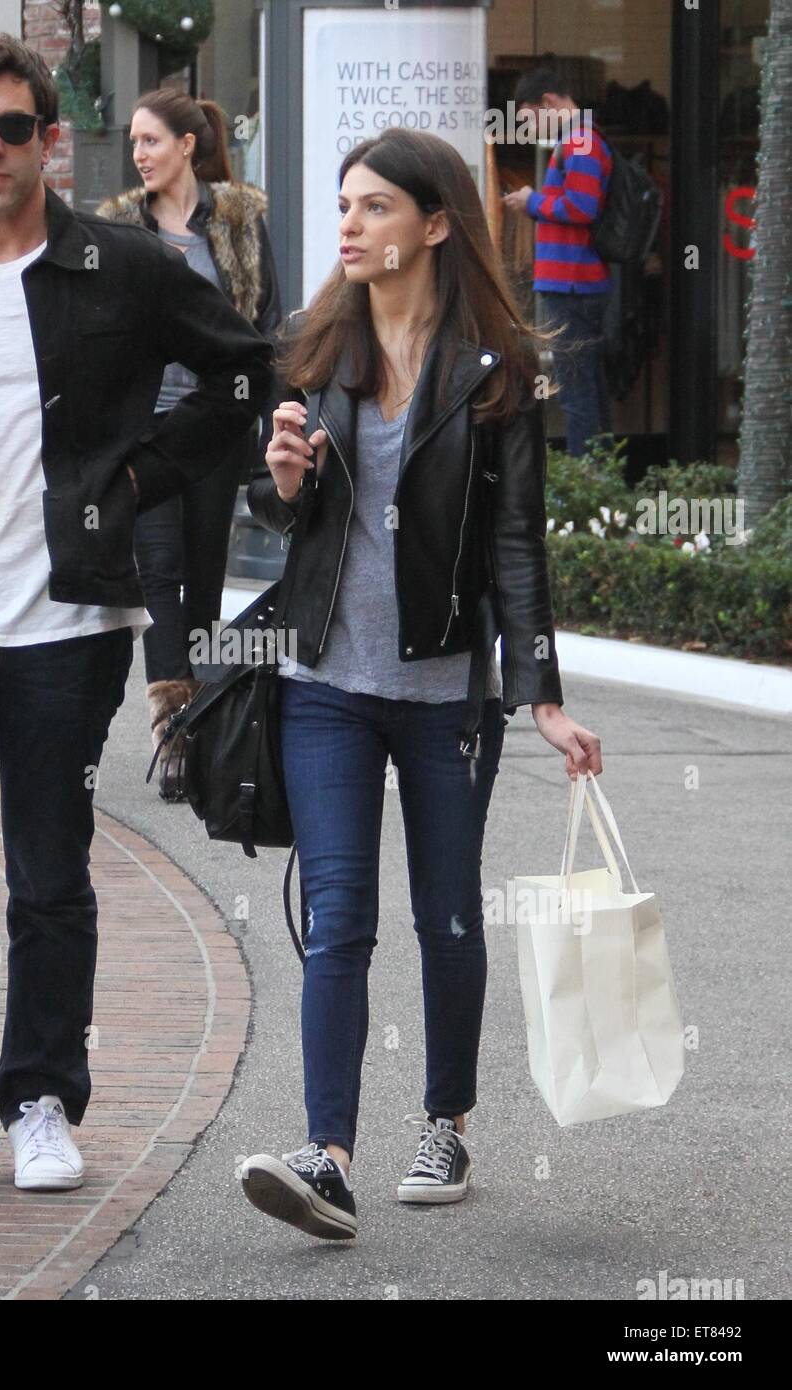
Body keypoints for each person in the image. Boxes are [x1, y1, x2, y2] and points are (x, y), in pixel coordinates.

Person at [0, 30, 271, 1191]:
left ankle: (39, 1095)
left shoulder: (118, 266)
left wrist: (138, 480)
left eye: (11, 127)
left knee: (48, 868)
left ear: (47, 142)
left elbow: (240, 373)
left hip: (67, 628)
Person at [240, 128, 602, 1240]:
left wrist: (538, 690)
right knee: (339, 911)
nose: (348, 224)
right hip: (326, 683)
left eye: (375, 207)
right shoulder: (314, 349)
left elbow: (515, 546)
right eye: (344, 204)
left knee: (448, 911)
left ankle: (445, 1118)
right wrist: (281, 484)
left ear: (436, 223)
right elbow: (278, 524)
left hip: (448, 691)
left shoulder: (495, 372)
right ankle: (328, 1158)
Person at [95, 89, 282, 800]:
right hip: (145, 429)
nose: (138, 154)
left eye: (150, 141)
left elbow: (261, 319)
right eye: (133, 143)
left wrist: (263, 412)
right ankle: (171, 730)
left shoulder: (236, 218)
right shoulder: (117, 227)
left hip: (213, 425)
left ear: (187, 146)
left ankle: (201, 722)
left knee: (203, 577)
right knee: (157, 575)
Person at [503, 67, 614, 459]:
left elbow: (582, 207)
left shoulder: (580, 141)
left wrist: (531, 201)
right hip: (575, 283)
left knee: (577, 393)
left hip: (571, 284)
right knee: (587, 388)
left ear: (548, 103)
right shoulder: (580, 139)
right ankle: (602, 477)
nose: (529, 128)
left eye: (529, 117)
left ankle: (591, 482)